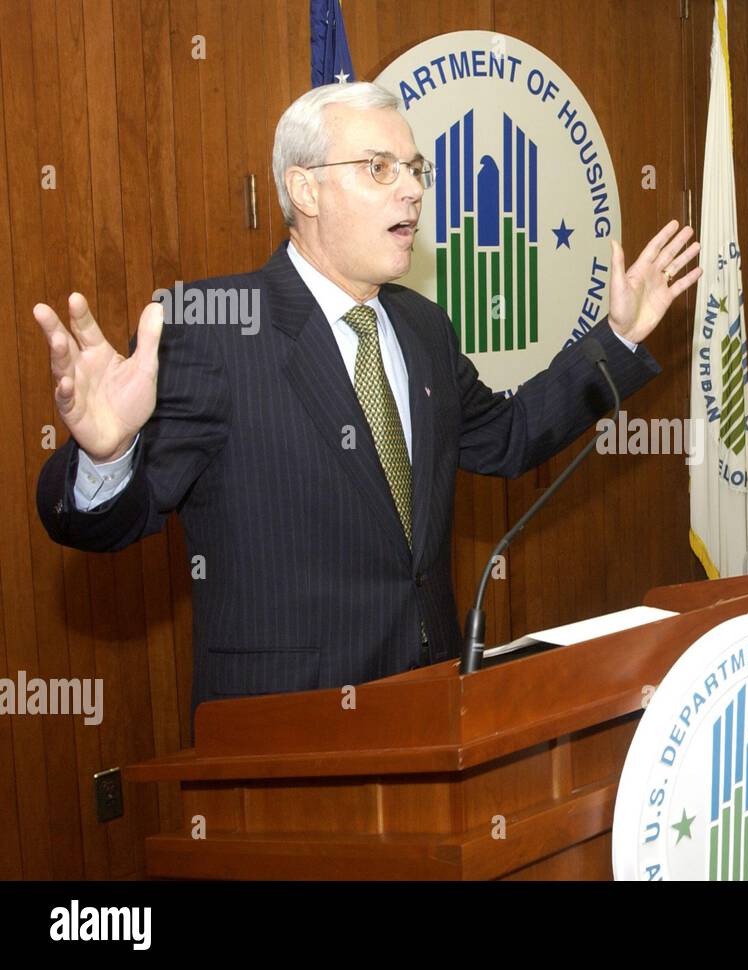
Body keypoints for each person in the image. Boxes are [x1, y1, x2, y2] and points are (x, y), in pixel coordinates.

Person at [32, 82, 702, 713]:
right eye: (380, 168)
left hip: (430, 701)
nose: (412, 190)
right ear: (305, 190)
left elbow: (508, 436)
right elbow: (115, 522)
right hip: (286, 731)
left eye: (415, 170)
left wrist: (613, 339)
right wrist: (108, 454)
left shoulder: (421, 326)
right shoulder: (212, 327)